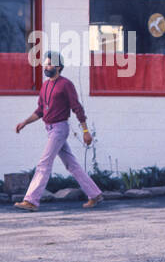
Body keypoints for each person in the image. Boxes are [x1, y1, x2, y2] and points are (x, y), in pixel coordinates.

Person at [13, 51, 103, 211]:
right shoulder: (45, 86)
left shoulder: (66, 84)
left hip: (60, 129)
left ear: (58, 67)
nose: (46, 67)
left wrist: (85, 131)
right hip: (50, 129)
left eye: (49, 64)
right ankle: (95, 194)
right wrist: (25, 122)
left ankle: (31, 200)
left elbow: (77, 108)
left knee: (44, 163)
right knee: (72, 164)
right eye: (45, 64)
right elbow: (40, 110)